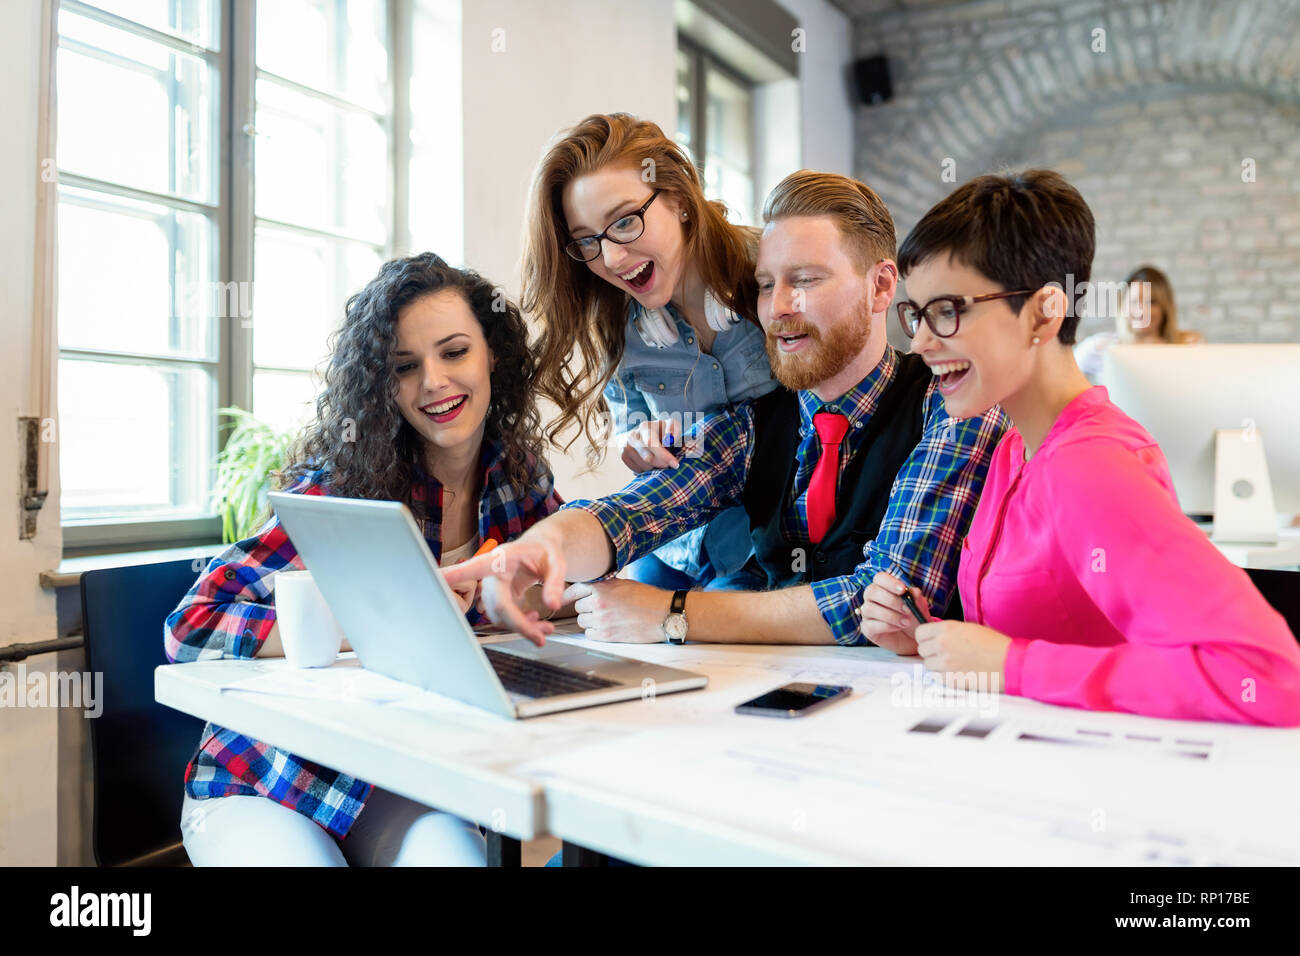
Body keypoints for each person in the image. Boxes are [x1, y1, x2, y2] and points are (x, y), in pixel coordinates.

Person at [445, 170, 1008, 650]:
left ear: (881, 286)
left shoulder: (952, 402)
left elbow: (891, 597)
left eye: (805, 280)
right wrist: (541, 547)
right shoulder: (753, 422)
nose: (779, 308)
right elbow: (638, 510)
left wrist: (673, 613)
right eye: (766, 285)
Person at [164, 253, 565, 865]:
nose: (433, 381)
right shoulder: (341, 487)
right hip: (266, 777)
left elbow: (573, 591)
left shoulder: (518, 479)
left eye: (454, 352)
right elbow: (190, 628)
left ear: (494, 357)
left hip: (396, 778)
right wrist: (379, 621)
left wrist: (513, 599)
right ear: (384, 387)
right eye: (406, 366)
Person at [862, 169, 1300, 726]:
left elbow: (1268, 677)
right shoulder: (1013, 450)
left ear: (1044, 311)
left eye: (948, 311)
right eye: (916, 314)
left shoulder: (1088, 465)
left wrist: (1009, 666)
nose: (921, 341)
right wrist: (928, 635)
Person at [522, 112, 779, 593]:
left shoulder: (769, 273)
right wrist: (636, 443)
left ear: (680, 199)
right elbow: (628, 430)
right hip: (674, 546)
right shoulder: (616, 324)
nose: (613, 259)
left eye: (624, 222)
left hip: (769, 549)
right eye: (586, 241)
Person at [1074, 264, 1203, 381]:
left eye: (1151, 302)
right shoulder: (1100, 347)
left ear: (1165, 307)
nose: (1141, 311)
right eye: (1134, 301)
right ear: (1122, 305)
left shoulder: (1188, 345)